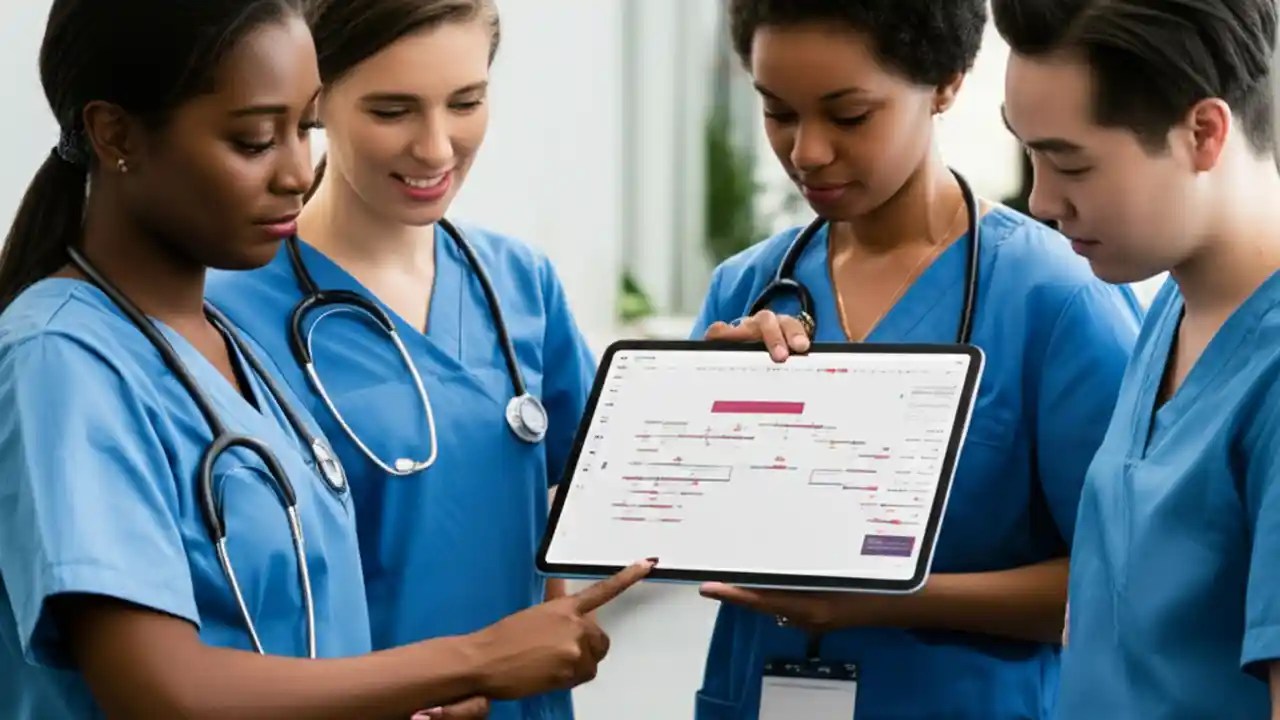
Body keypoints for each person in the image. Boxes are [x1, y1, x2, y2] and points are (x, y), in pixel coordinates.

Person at [0, 2, 650, 718]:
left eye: (302, 128)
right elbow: (161, 689)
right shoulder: (60, 357)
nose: (296, 172)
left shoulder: (223, 347)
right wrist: (471, 663)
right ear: (114, 134)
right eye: (253, 140)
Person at [688, 1, 1143, 718]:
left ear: (946, 84)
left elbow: (1128, 584)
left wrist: (886, 597)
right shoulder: (746, 287)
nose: (806, 151)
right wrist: (709, 420)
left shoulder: (1057, 300)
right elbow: (669, 535)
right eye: (779, 112)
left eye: (849, 116)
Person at [205, 2, 599, 718]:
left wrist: (746, 380)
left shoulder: (519, 284)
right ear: (313, 103)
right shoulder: (222, 313)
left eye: (467, 103)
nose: (437, 148)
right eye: (392, 111)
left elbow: (600, 495)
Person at [995, 0, 1280, 716]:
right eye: (1028, 153)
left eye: (1070, 163)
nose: (1042, 198)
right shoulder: (1172, 308)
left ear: (1203, 133)